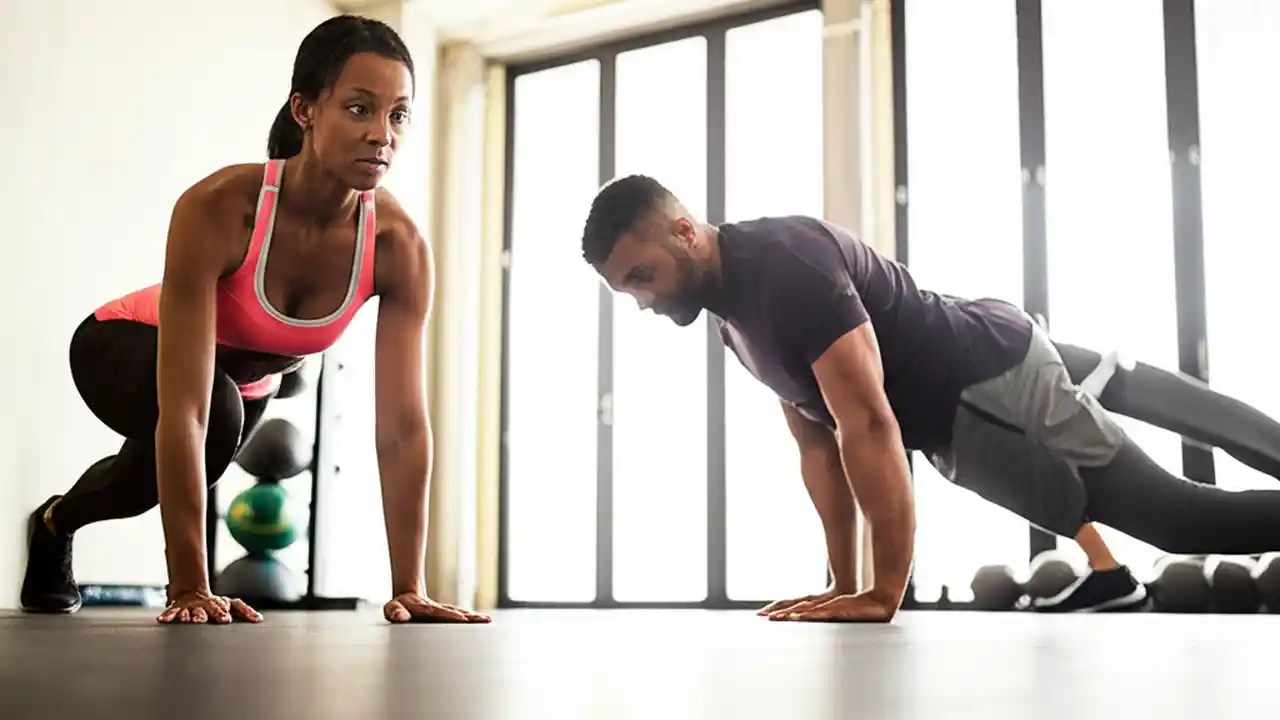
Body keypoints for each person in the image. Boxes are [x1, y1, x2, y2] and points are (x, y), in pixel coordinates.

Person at [580, 174, 1280, 620]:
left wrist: (883, 593)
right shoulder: (733, 318)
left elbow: (870, 426)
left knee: (1180, 522)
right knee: (1178, 435)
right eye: (628, 290)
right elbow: (818, 450)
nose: (643, 301)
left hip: (995, 380)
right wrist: (839, 581)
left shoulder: (784, 269)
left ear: (684, 231)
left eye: (643, 276)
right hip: (985, 350)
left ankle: (1118, 573)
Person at [20, 15, 489, 626]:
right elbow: (187, 407)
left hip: (238, 387)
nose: (382, 134)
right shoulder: (219, 207)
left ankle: (57, 522)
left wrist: (409, 587)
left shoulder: (398, 246)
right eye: (358, 109)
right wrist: (190, 587)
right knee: (212, 416)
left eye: (398, 115)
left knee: (149, 476)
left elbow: (401, 424)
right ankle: (90, 534)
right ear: (305, 109)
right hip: (126, 341)